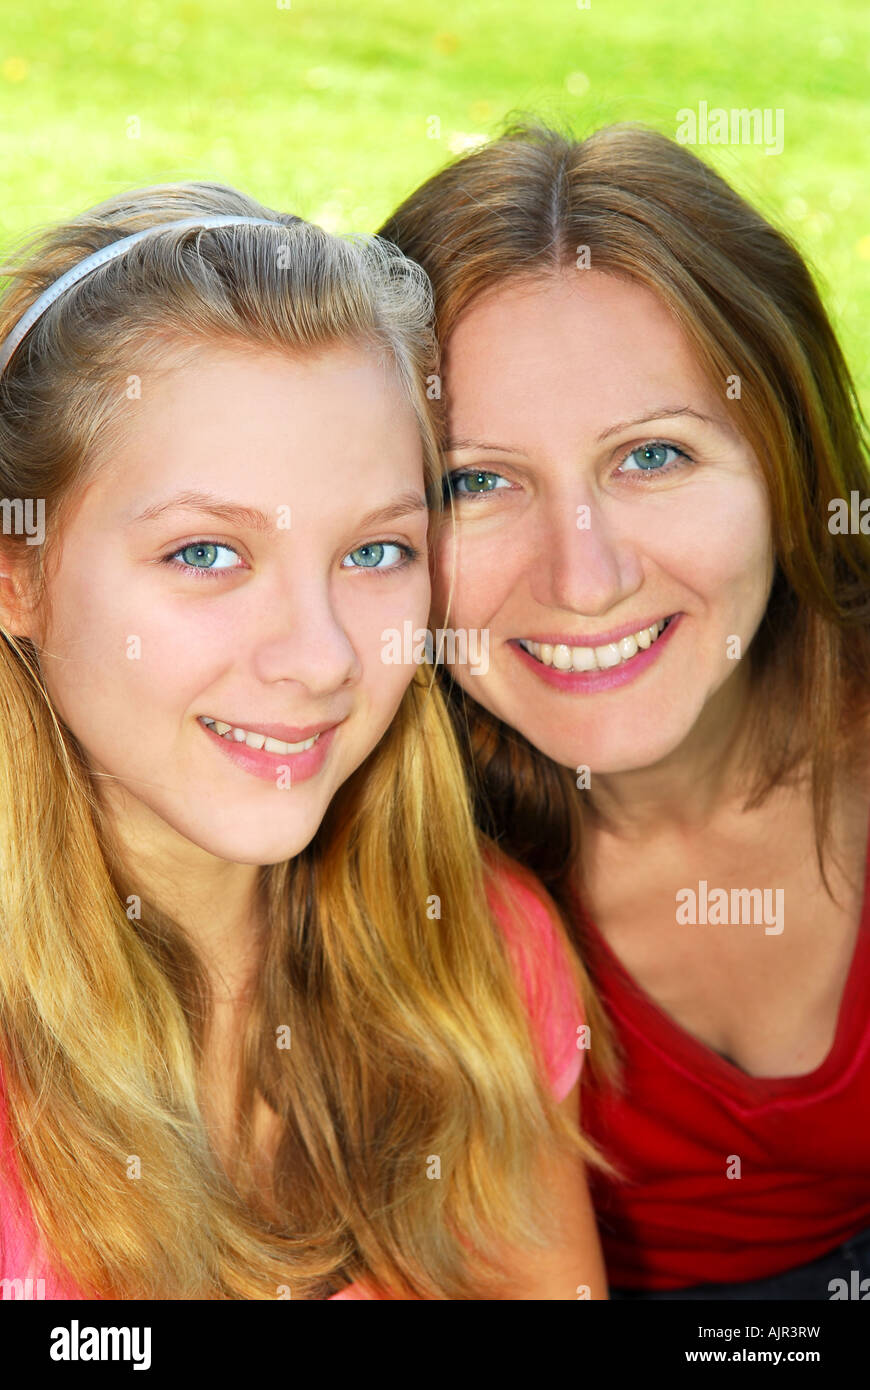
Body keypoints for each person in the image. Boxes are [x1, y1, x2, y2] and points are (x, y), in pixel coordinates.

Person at [0, 181, 609, 1300]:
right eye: (205, 553)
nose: (319, 656)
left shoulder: (469, 949)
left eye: (374, 552)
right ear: (19, 570)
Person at [379, 119, 870, 1299]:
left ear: (789, 466)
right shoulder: (372, 855)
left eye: (652, 457)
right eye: (477, 481)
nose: (584, 578)